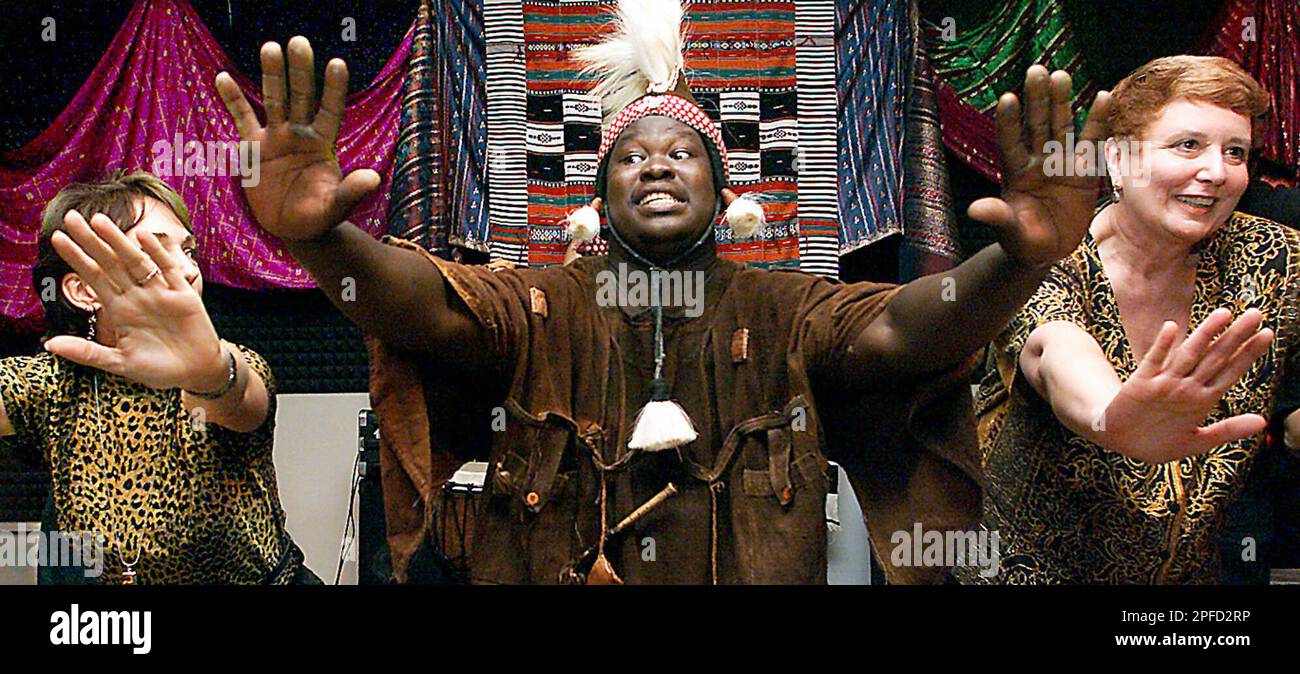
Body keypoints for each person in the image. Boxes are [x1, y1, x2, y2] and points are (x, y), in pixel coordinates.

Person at [215, 0, 1129, 583]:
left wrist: (1018, 264)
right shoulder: (534, 304)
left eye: (682, 152)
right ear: (596, 194)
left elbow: (904, 331)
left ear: (724, 191)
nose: (656, 165)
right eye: (631, 157)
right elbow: (420, 303)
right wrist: (320, 240)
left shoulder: (789, 308)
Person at [956, 55, 1294, 585]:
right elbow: (1053, 347)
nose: (1216, 171)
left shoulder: (1274, 257)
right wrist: (1109, 417)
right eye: (1188, 145)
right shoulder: (1051, 257)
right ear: (1117, 160)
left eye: (1236, 152)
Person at [0, 170, 318, 584]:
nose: (187, 271)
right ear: (83, 290)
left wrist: (212, 374)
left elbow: (242, 398)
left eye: (188, 252)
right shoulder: (52, 384)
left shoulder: (228, 366)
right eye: (156, 253)